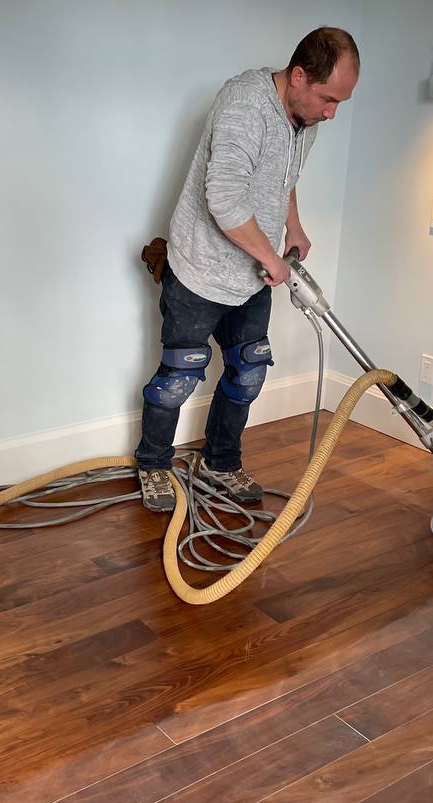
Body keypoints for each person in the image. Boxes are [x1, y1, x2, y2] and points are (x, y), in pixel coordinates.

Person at [134, 27, 360, 512]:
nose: (331, 112)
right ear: (298, 76)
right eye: (327, 98)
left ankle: (219, 462)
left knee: (248, 371)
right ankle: (153, 465)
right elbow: (225, 198)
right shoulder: (245, 104)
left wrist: (293, 228)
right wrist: (274, 258)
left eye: (340, 102)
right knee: (179, 377)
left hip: (254, 272)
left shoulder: (305, 119)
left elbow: (283, 178)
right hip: (201, 269)